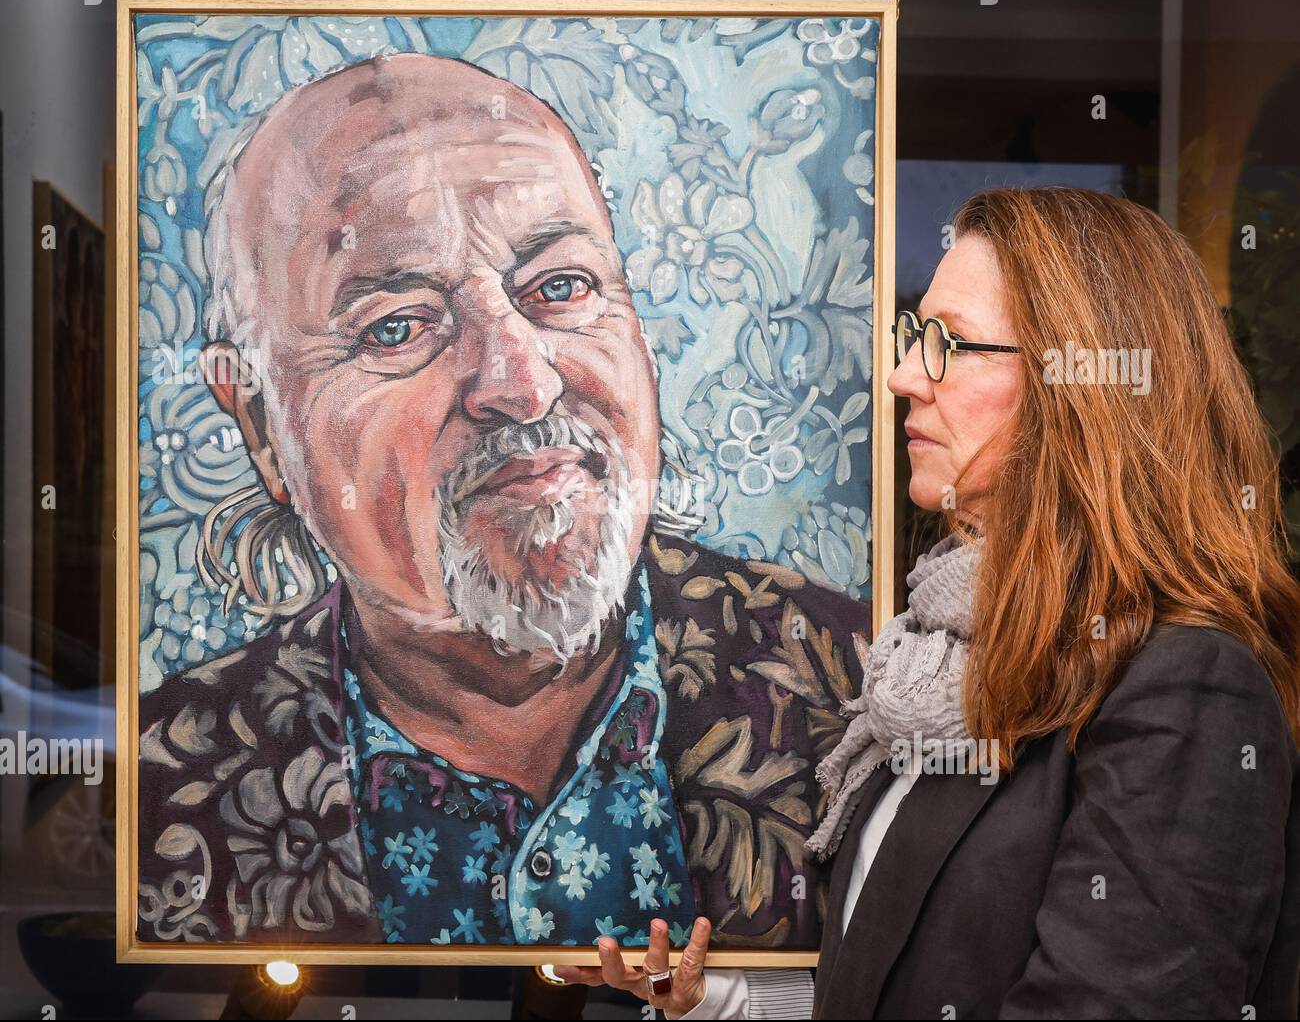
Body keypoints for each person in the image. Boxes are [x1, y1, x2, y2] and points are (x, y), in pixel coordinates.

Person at [135, 54, 871, 949]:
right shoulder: (152, 793)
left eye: (560, 287)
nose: (521, 384)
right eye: (398, 327)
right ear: (260, 423)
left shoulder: (855, 698)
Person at [556, 187, 1300, 1019]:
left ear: (1082, 384)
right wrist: (713, 1001)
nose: (904, 375)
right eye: (915, 337)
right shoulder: (932, 663)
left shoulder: (1184, 685)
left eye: (946, 343)